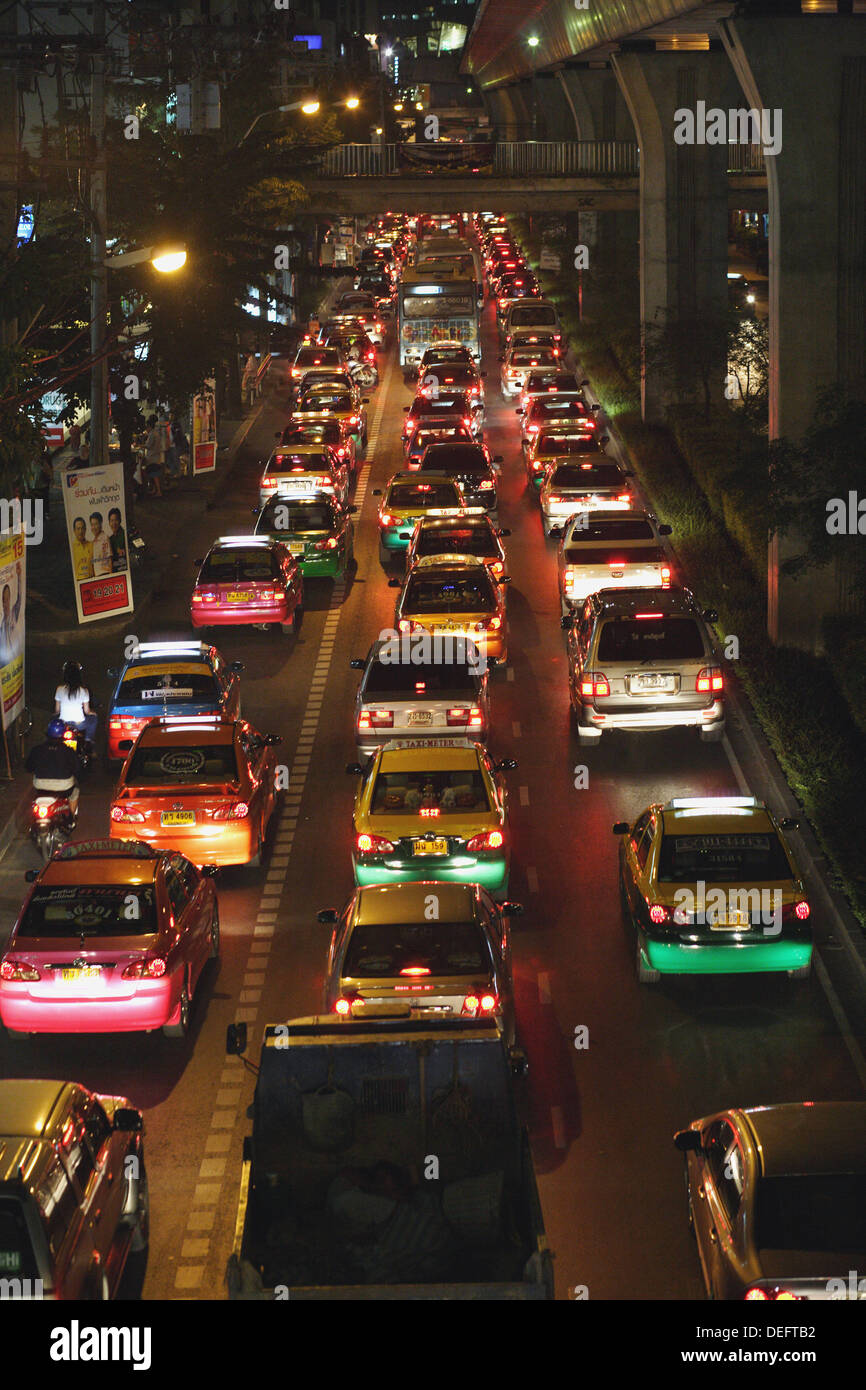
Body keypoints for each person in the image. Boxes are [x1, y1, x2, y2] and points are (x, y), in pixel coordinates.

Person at [26, 718, 82, 817]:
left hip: (40, 786)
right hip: (64, 787)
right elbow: (77, 769)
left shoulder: (37, 750)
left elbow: (28, 767)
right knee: (75, 791)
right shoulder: (68, 751)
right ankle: (71, 818)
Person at [54, 661, 98, 748]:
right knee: (94, 719)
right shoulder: (84, 690)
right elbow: (87, 711)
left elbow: (57, 710)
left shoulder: (59, 689)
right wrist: (93, 713)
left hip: (63, 724)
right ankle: (88, 740)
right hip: (79, 724)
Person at [0, 561, 23, 665]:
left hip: (15, 660)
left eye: (7, 599)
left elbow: (19, 597)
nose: (5, 604)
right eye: (4, 600)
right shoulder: (1, 625)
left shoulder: (14, 613)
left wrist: (19, 576)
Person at [144, 416, 164, 497]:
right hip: (155, 456)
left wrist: (141, 445)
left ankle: (158, 491)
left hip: (153, 457)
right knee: (152, 474)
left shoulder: (152, 434)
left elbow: (148, 445)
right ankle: (154, 490)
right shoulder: (155, 433)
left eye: (147, 427)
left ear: (149, 426)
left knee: (154, 474)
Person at [89, 512, 112, 576]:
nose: (94, 527)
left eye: (96, 524)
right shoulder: (93, 542)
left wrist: (111, 576)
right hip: (97, 576)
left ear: (101, 524)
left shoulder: (105, 538)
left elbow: (109, 558)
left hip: (105, 573)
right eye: (92, 525)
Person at [107, 507, 128, 572]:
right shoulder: (110, 539)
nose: (114, 523)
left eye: (116, 520)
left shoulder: (125, 535)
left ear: (120, 520)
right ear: (109, 523)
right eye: (111, 521)